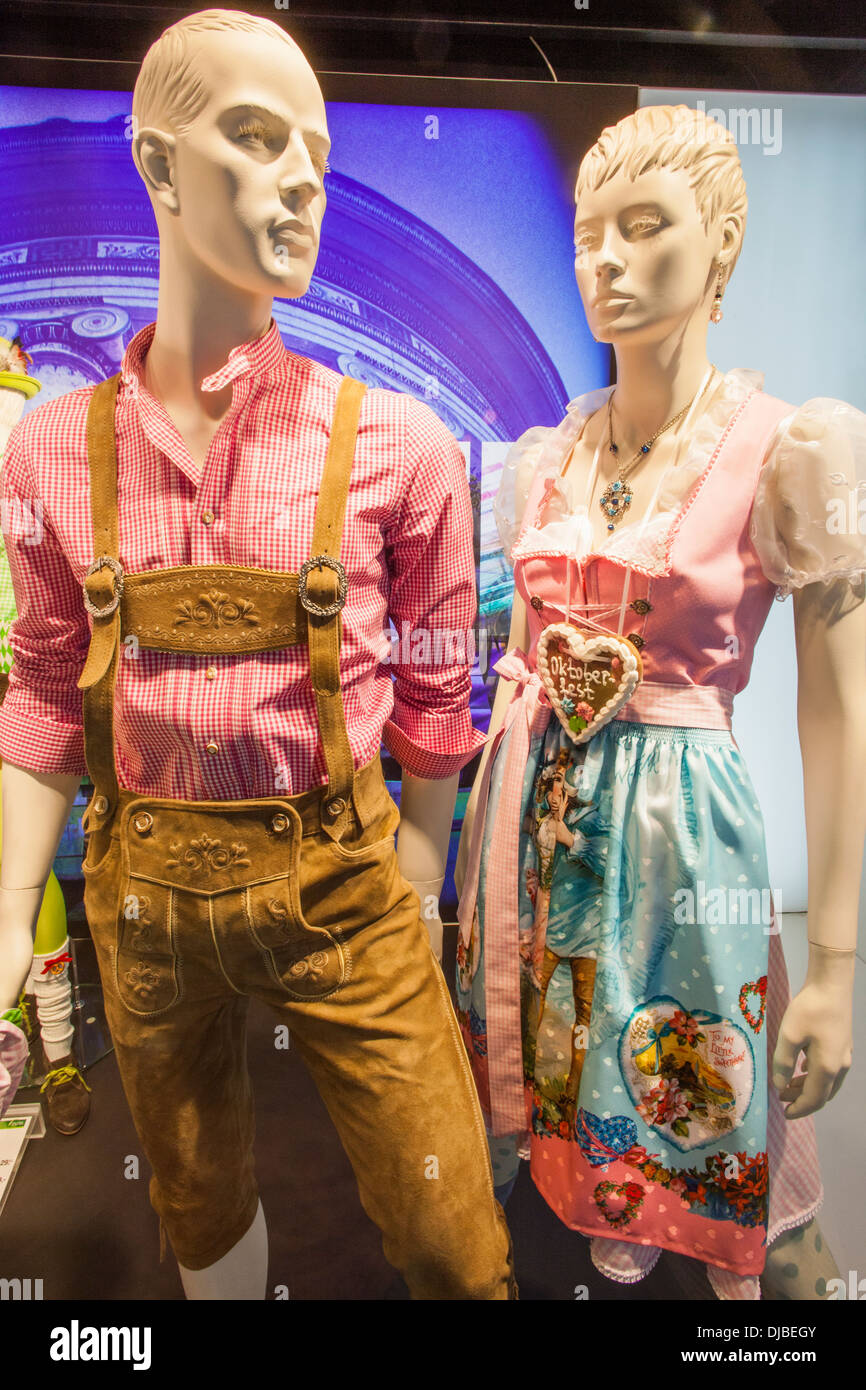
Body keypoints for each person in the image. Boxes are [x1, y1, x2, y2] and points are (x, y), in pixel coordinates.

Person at [0, 8, 514, 1300]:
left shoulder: (397, 443)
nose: (299, 177)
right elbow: (49, 683)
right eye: (255, 135)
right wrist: (11, 905)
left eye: (318, 155)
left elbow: (443, 676)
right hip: (145, 893)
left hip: (344, 882)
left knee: (455, 1242)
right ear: (158, 165)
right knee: (200, 1212)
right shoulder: (51, 449)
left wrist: (417, 856)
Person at [456, 104, 866, 1300]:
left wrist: (836, 964)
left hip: (690, 861)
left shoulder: (788, 449)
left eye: (646, 228)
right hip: (543, 855)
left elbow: (835, 715)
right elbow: (523, 680)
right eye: (590, 233)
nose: (607, 261)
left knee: (731, 1141)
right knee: (577, 1132)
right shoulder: (542, 461)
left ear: (720, 245)